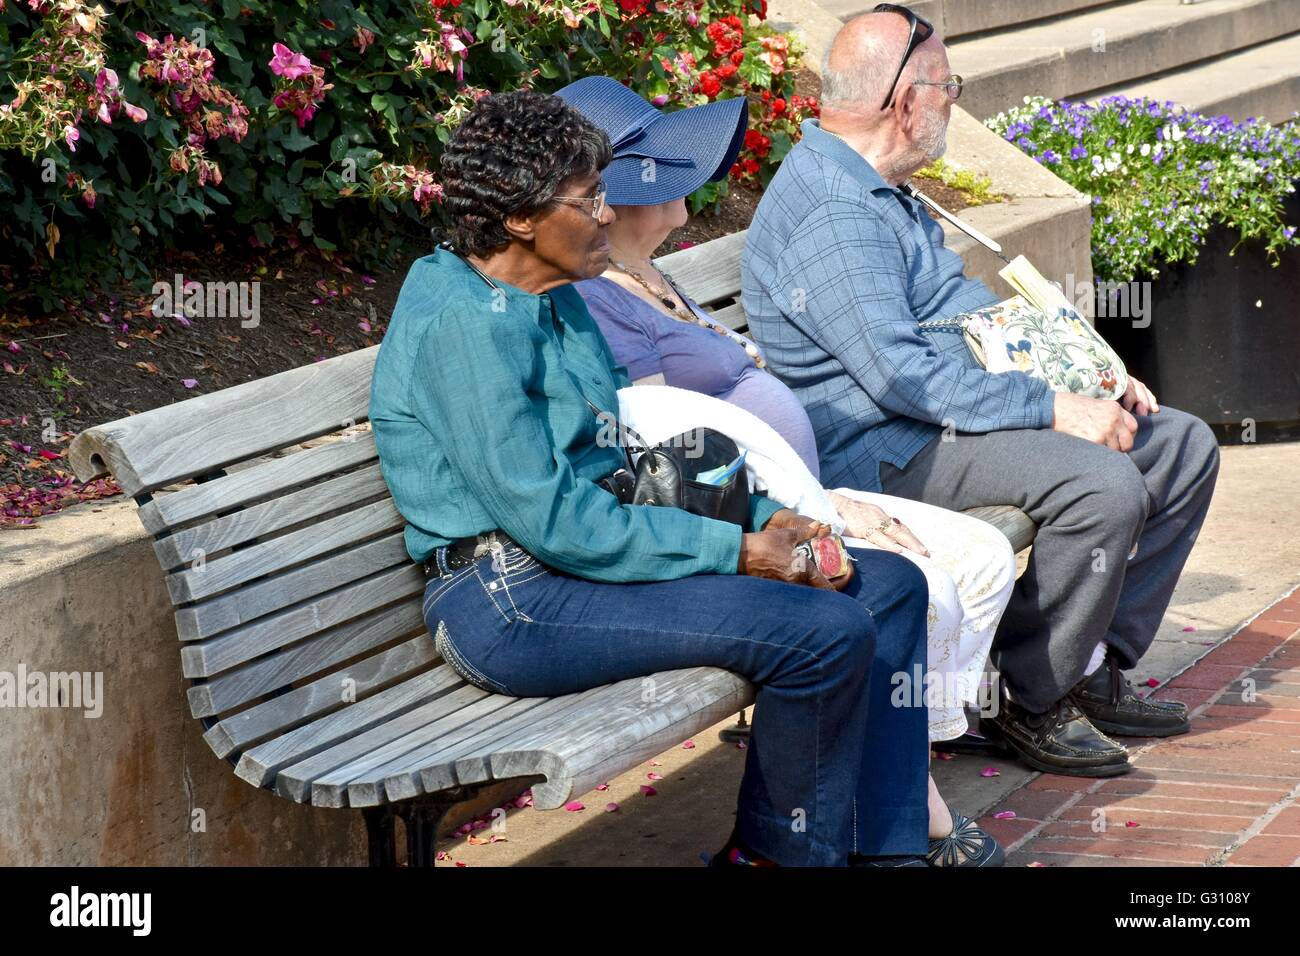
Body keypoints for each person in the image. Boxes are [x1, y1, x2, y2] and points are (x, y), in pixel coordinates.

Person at [367, 88, 936, 866]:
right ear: (518, 218)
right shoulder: (463, 327)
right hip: (509, 601)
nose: (609, 212)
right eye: (589, 196)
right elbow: (559, 521)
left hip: (580, 565)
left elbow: (625, 467)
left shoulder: (554, 295)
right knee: (821, 633)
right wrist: (737, 552)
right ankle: (775, 857)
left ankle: (883, 850)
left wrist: (761, 513)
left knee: (891, 586)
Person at [741, 5, 1221, 777]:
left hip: (933, 421)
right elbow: (900, 376)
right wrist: (1052, 406)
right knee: (1101, 483)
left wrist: (1084, 370)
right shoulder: (834, 210)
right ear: (905, 103)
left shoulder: (878, 184)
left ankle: (1088, 660)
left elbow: (961, 309)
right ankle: (1027, 698)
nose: (955, 102)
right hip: (883, 449)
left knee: (1180, 445)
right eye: (949, 86)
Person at [557, 75, 1010, 866]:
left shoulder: (651, 276)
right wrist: (813, 514)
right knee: (899, 587)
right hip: (743, 517)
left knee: (963, 562)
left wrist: (816, 503)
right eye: (659, 168)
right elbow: (672, 453)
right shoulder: (594, 300)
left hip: (794, 498)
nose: (688, 180)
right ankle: (868, 822)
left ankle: (882, 811)